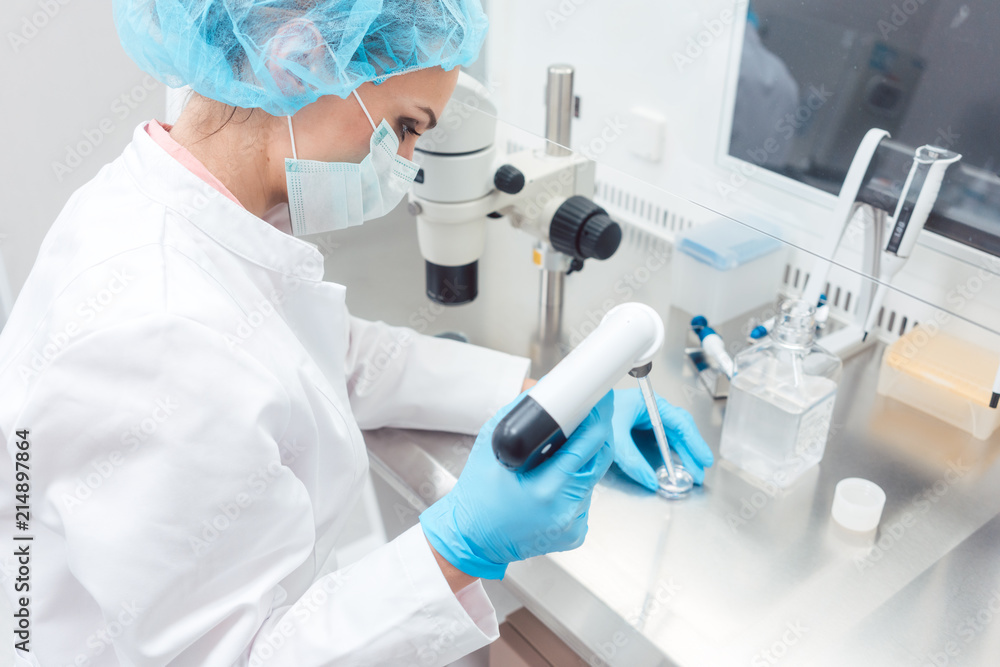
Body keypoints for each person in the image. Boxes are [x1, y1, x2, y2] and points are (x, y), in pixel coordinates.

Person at [0, 1, 713, 664]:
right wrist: (460, 546)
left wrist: (554, 396)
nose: (403, 167)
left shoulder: (194, 207)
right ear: (297, 59)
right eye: (406, 126)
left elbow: (336, 354)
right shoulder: (158, 332)